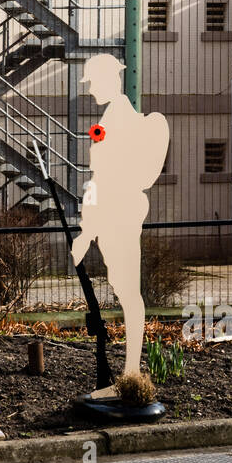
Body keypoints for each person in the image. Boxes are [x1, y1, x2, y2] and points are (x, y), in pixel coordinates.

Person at [70, 54, 169, 380]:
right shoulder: (110, 118)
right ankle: (127, 372)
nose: (90, 90)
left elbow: (108, 180)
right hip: (110, 215)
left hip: (121, 216)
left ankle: (130, 373)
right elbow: (97, 181)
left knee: (128, 293)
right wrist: (87, 229)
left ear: (111, 80)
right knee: (123, 289)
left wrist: (88, 229)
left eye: (93, 82)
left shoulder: (121, 119)